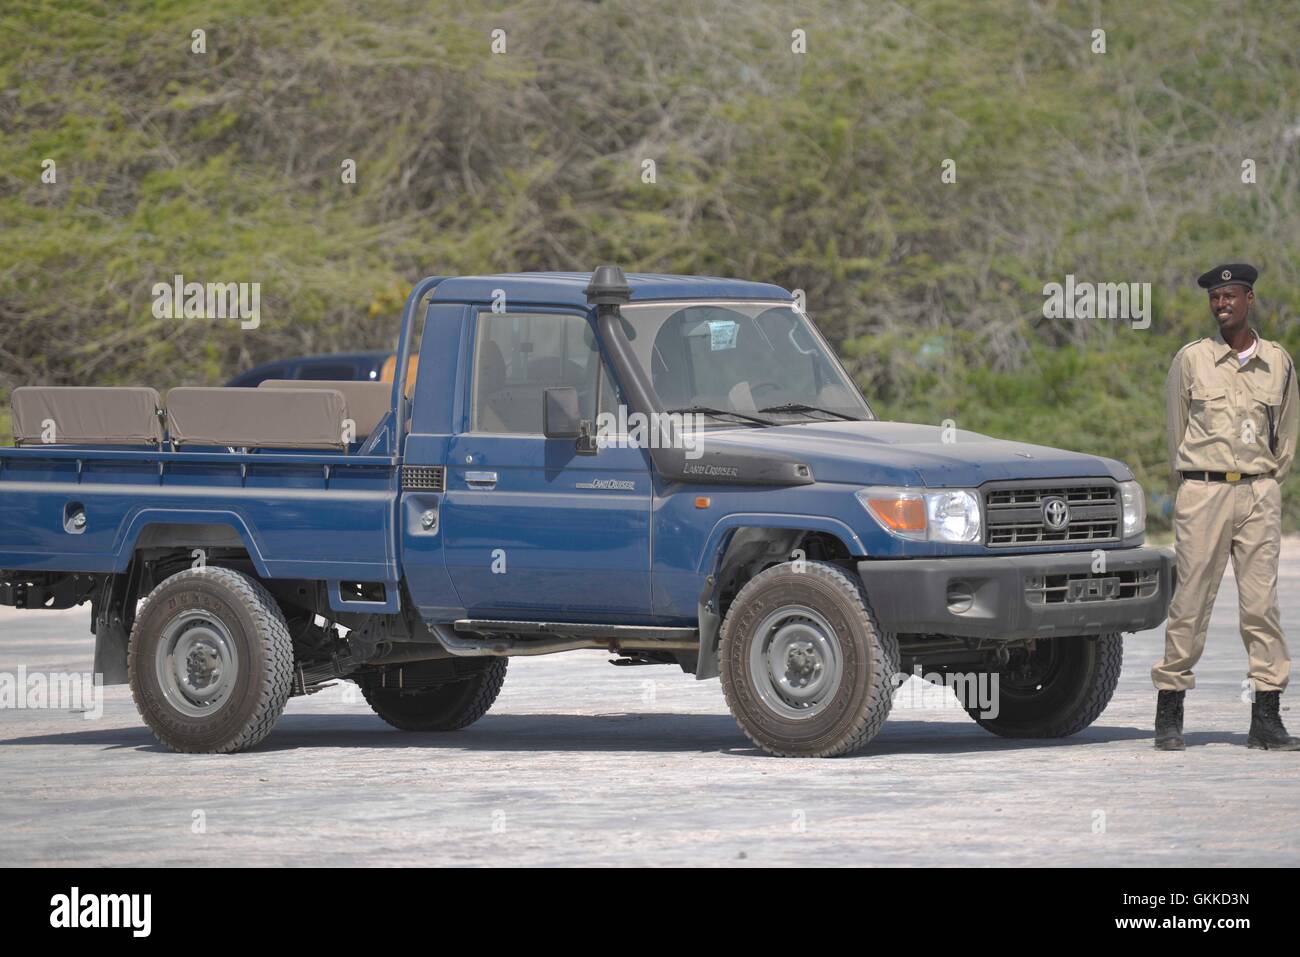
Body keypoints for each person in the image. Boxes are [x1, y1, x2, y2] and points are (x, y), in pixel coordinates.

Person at [1154, 263, 1299, 751]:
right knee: (1190, 602)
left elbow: (1288, 433)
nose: (1222, 306)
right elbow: (1177, 430)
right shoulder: (1192, 360)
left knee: (1262, 606)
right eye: (1215, 299)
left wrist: (1266, 479)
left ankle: (1266, 717)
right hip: (1204, 492)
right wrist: (1197, 479)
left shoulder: (1278, 362)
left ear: (1250, 299)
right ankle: (1170, 711)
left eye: (1231, 297)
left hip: (1259, 492)